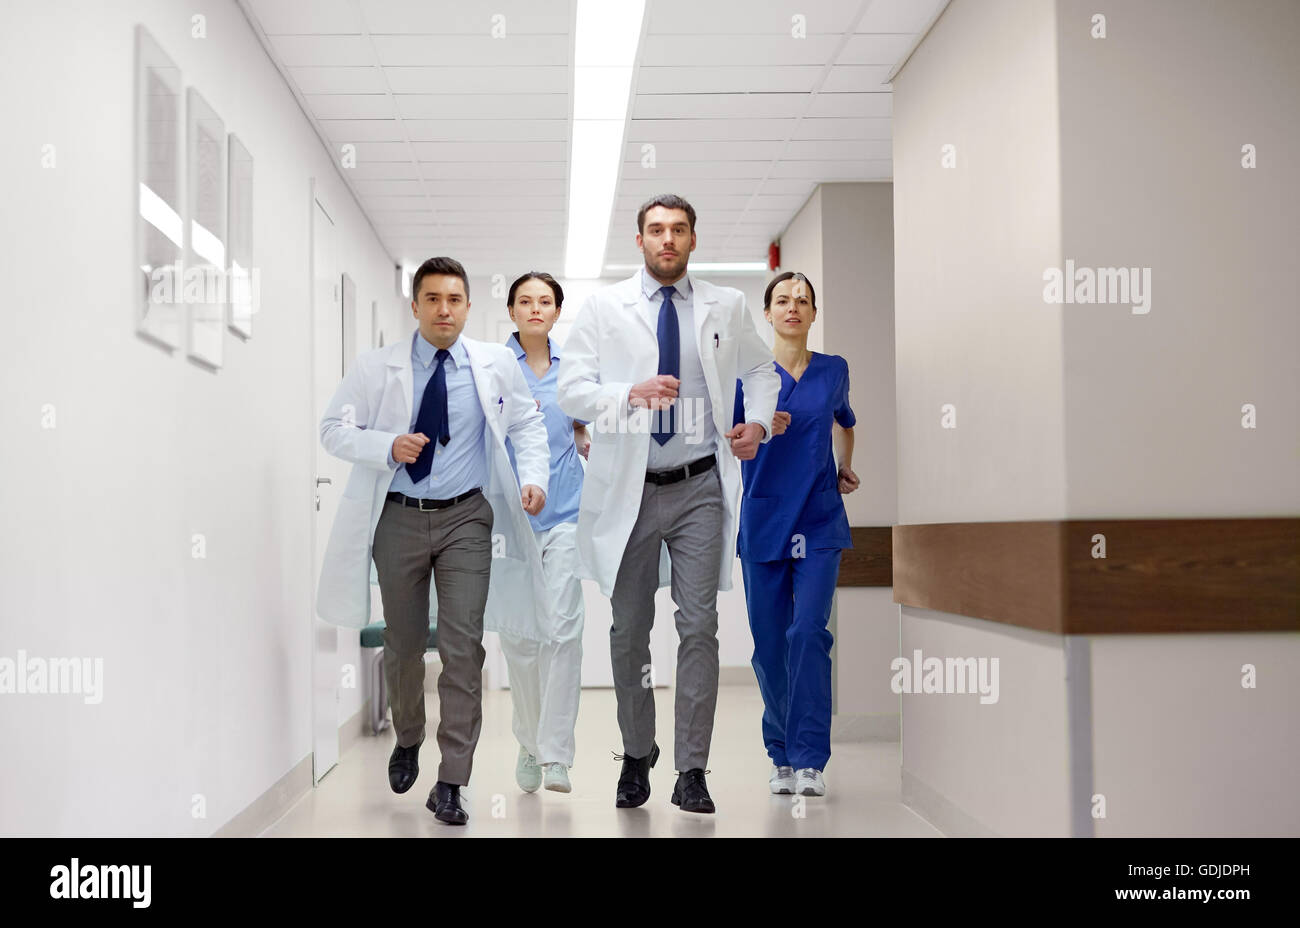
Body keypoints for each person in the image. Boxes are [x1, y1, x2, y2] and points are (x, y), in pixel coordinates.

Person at [556, 193, 780, 814]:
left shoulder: (727, 306)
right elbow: (572, 392)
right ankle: (636, 754)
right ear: (640, 240)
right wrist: (630, 392)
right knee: (629, 631)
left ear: (693, 239)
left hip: (700, 487)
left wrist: (757, 424)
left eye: (678, 230)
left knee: (698, 626)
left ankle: (693, 769)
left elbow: (762, 373)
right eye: (656, 230)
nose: (667, 240)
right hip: (629, 491)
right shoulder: (604, 308)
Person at [316, 256, 551, 826]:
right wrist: (385, 445)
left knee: (463, 647)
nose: (444, 310)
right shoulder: (377, 368)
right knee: (401, 644)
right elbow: (333, 429)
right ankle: (408, 733)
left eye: (454, 300)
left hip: (468, 518)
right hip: (397, 516)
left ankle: (452, 781)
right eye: (433, 299)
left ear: (469, 306)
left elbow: (526, 424)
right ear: (415, 306)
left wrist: (533, 478)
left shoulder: (494, 364)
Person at [732, 271, 859, 798]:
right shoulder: (746, 374)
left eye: (803, 301)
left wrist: (845, 467)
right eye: (782, 299)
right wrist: (757, 433)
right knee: (768, 645)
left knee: (808, 632)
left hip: (819, 520)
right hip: (764, 520)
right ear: (767, 312)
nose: (793, 307)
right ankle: (780, 753)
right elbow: (729, 438)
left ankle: (810, 758)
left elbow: (845, 422)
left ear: (813, 314)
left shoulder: (833, 371)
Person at [498, 271, 589, 795]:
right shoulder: (492, 369)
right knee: (521, 638)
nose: (536, 308)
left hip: (565, 513)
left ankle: (555, 755)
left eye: (546, 301)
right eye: (525, 301)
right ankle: (528, 742)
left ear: (557, 312)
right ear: (511, 311)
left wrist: (584, 434)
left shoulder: (572, 370)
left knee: (564, 629)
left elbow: (579, 420)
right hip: (509, 522)